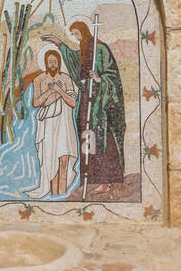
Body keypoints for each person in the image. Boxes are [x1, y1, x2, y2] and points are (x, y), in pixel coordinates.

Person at [42, 20, 125, 194]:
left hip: (101, 105)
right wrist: (58, 43)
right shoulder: (84, 51)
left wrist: (99, 80)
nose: (76, 38)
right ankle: (90, 179)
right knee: (88, 140)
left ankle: (106, 181)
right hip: (87, 100)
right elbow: (73, 60)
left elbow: (113, 76)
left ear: (85, 32)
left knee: (103, 140)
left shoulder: (100, 49)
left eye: (77, 34)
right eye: (74, 35)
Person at [23, 49, 79, 197]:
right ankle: (55, 195)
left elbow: (72, 102)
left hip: (64, 123)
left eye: (55, 61)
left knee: (64, 158)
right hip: (48, 124)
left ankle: (62, 192)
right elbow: (36, 103)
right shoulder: (39, 79)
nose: (53, 64)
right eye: (50, 62)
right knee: (52, 159)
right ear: (45, 63)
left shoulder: (66, 79)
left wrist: (59, 90)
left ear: (59, 63)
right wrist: (49, 92)